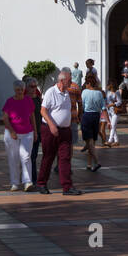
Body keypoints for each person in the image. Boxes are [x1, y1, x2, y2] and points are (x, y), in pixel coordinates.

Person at [37, 67, 81, 195]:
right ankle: (41, 183)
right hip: (50, 130)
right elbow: (43, 110)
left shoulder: (67, 93)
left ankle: (67, 187)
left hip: (65, 131)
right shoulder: (51, 92)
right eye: (69, 80)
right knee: (48, 157)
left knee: (65, 158)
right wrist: (52, 125)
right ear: (62, 81)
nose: (71, 82)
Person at [2, 80, 36, 191]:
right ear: (14, 90)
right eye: (18, 90)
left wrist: (35, 131)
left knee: (25, 157)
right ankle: (15, 182)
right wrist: (12, 131)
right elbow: (5, 118)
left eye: (21, 90)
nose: (20, 92)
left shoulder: (28, 100)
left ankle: (27, 182)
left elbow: (32, 117)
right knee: (13, 158)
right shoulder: (9, 102)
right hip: (12, 134)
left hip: (27, 133)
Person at [80, 72, 106, 172]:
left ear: (89, 83)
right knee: (92, 142)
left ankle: (97, 161)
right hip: (96, 116)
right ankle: (89, 163)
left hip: (87, 116)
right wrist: (107, 120)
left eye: (86, 83)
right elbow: (103, 107)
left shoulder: (85, 92)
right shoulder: (99, 93)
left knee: (89, 142)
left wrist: (79, 115)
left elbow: (81, 105)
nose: (86, 85)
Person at [23, 77, 43, 182]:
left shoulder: (38, 98)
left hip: (38, 130)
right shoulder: (24, 99)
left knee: (33, 156)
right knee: (28, 156)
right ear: (27, 87)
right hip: (26, 131)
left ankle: (33, 179)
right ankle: (29, 179)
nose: (34, 88)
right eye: (32, 86)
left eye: (35, 86)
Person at [106, 82, 122, 146]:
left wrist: (112, 104)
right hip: (109, 111)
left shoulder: (117, 92)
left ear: (111, 86)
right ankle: (116, 141)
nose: (107, 86)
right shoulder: (107, 92)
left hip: (116, 112)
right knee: (113, 126)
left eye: (108, 85)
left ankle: (110, 141)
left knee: (112, 126)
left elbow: (120, 102)